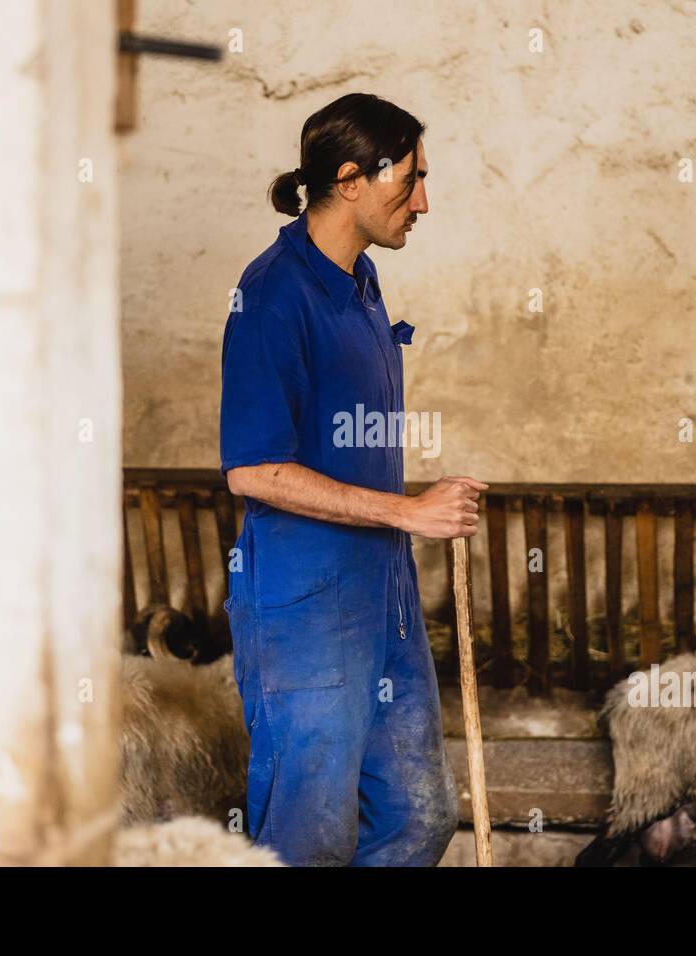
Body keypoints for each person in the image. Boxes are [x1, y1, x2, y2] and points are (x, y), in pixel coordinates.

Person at [219, 93, 486, 865]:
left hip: (382, 601)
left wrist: (424, 508)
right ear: (350, 180)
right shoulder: (271, 295)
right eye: (411, 181)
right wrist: (408, 513)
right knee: (308, 841)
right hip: (303, 618)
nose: (424, 202)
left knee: (420, 817)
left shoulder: (362, 282)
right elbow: (253, 470)